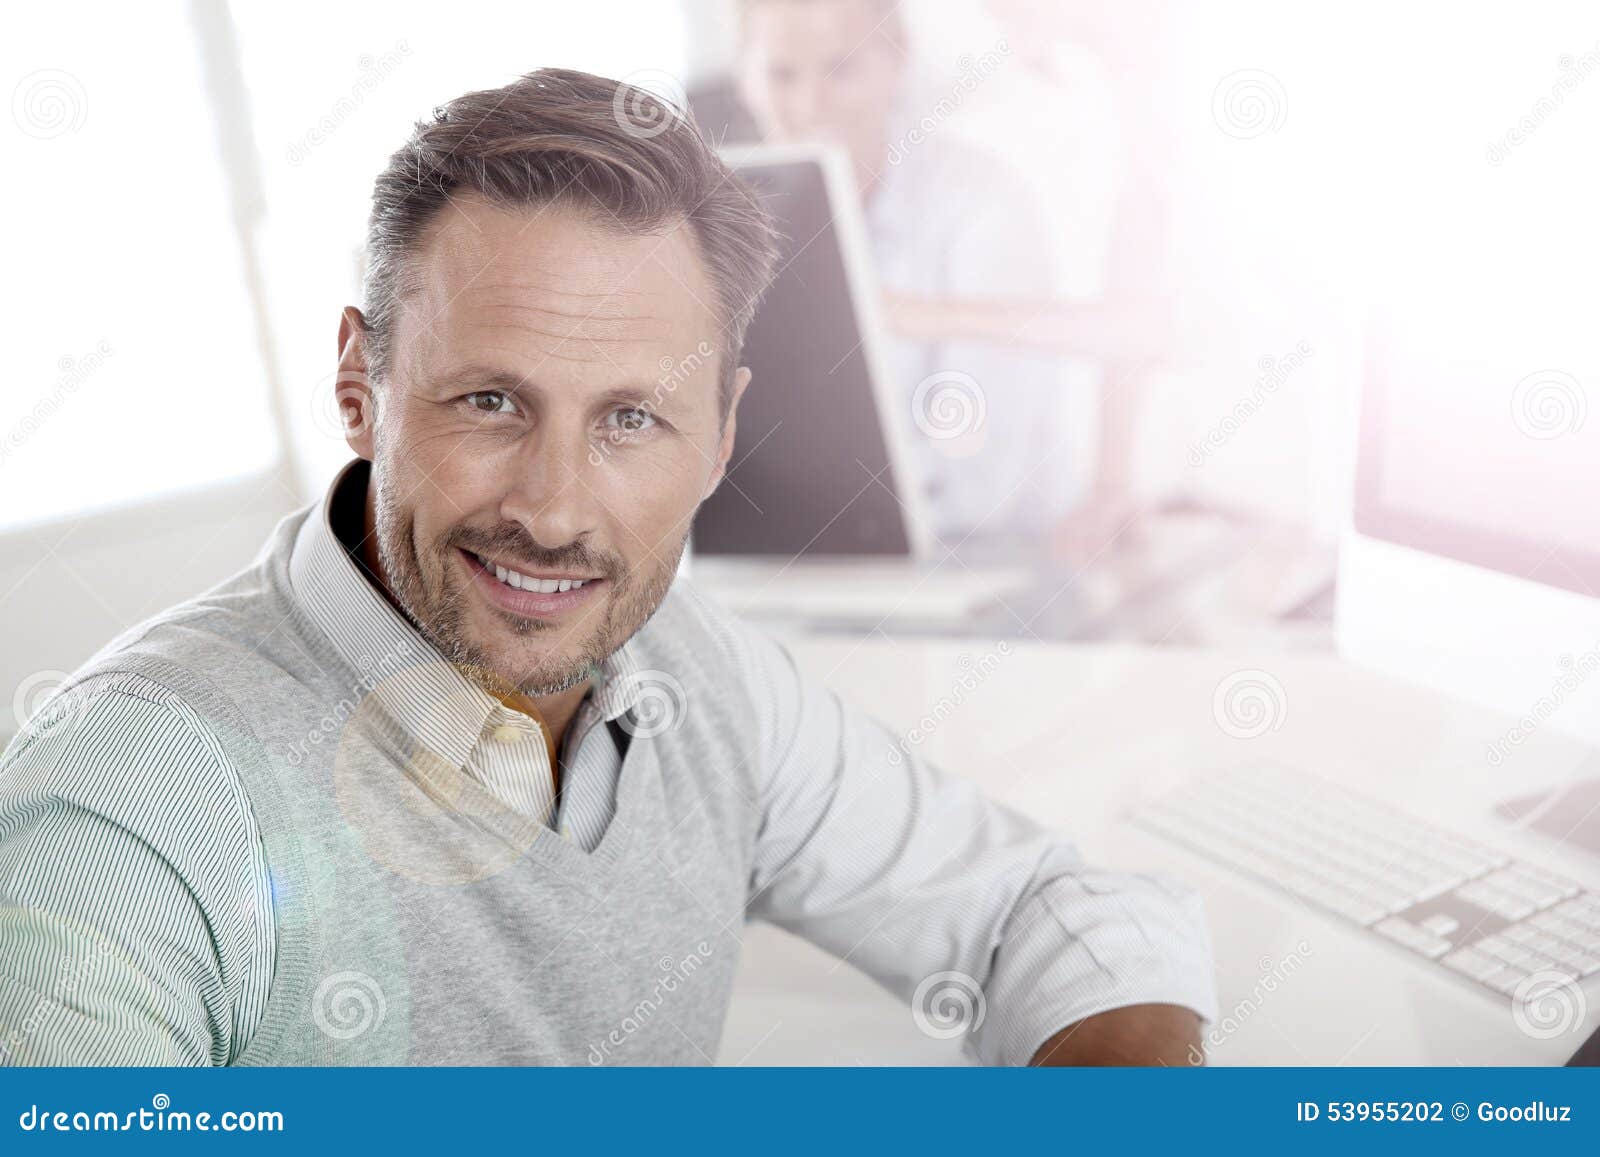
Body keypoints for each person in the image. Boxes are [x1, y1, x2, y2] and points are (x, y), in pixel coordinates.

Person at [0, 68, 1215, 1066]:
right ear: (359, 384)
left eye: (631, 417)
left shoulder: (703, 679)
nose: (554, 508)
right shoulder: (127, 806)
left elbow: (1034, 913)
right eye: (490, 401)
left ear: (723, 432)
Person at [734, 0, 1070, 553]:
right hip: (791, 562)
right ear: (746, 80)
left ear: (896, 60)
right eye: (781, 75)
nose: (810, 105)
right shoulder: (721, 225)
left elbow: (980, 483)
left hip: (972, 562)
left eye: (840, 68)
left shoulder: (983, 206)